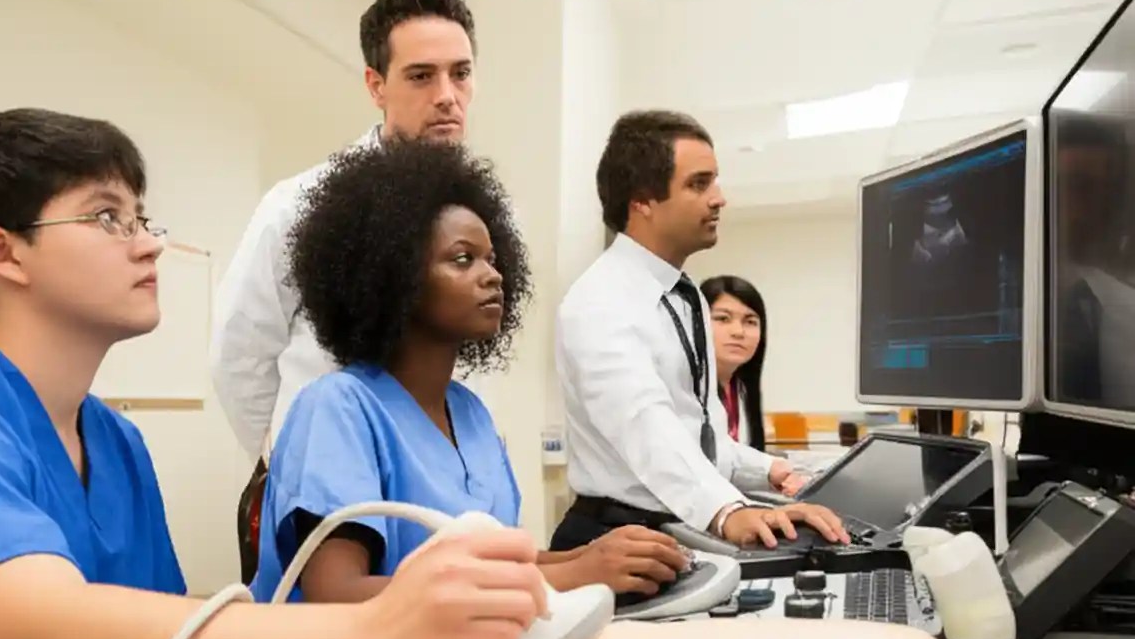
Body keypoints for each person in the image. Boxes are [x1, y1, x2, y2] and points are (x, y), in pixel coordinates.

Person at [0, 108, 550, 639]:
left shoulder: (116, 442)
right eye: (108, 218)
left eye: (143, 218)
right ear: (4, 253)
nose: (152, 243)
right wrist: (380, 630)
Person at [250, 138, 690, 606]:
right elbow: (338, 593)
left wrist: (592, 555)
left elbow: (495, 567)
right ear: (394, 276)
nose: (492, 275)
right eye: (463, 259)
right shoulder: (337, 409)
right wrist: (573, 575)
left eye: (492, 260)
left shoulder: (471, 414)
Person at [552, 110, 849, 553]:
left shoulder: (681, 292)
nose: (719, 198)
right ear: (643, 202)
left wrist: (771, 471)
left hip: (675, 522)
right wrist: (728, 511)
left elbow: (700, 435)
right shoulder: (600, 302)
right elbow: (645, 426)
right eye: (699, 184)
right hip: (619, 540)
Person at [211, 0, 485, 461]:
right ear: (376, 85)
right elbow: (239, 357)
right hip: (332, 490)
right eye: (421, 76)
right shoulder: (300, 205)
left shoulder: (483, 215)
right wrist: (290, 464)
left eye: (460, 74)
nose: (447, 96)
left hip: (445, 486)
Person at [700, 275, 807, 496]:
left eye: (750, 321)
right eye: (722, 319)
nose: (738, 332)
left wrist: (781, 476)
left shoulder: (741, 389)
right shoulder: (684, 386)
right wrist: (769, 469)